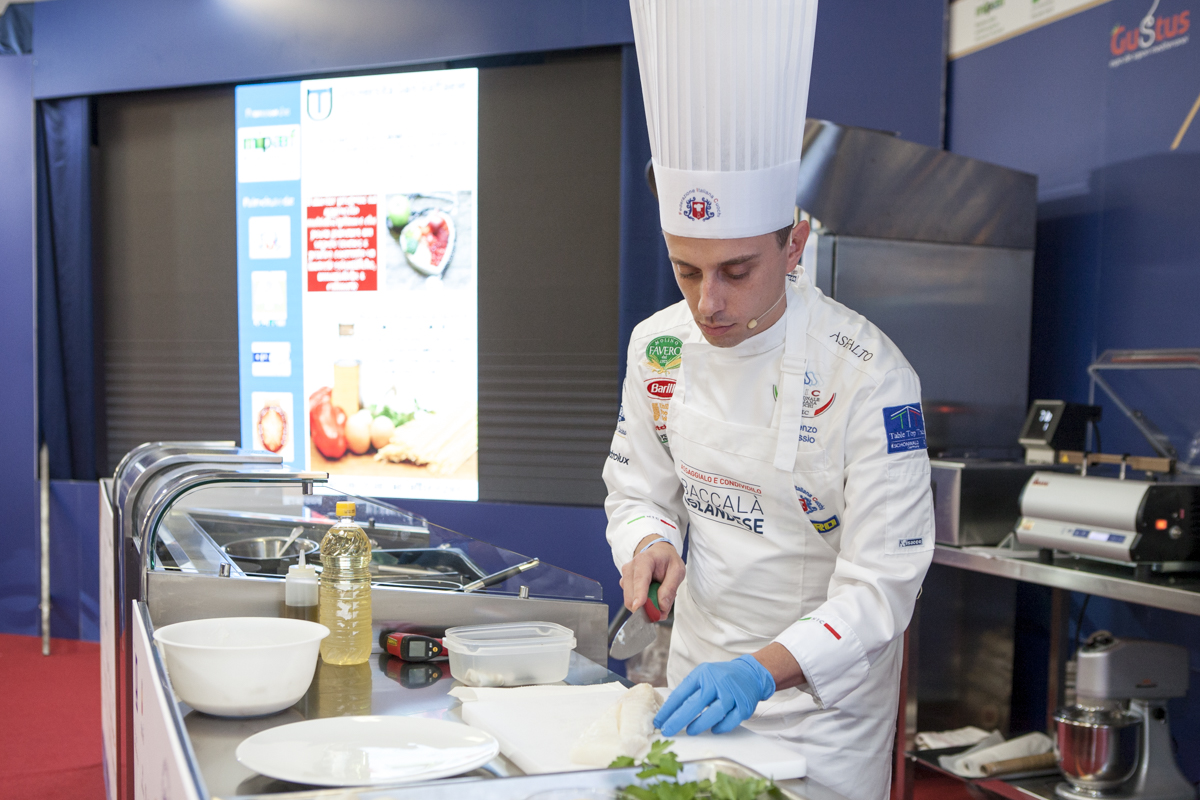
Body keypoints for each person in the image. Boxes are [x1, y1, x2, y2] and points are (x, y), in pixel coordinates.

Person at [603, 3, 934, 799]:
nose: (707, 303)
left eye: (736, 271)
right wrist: (647, 544)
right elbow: (637, 487)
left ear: (793, 245)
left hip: (822, 719)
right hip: (694, 689)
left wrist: (763, 671)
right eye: (687, 270)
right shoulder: (659, 344)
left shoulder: (870, 378)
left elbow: (881, 588)